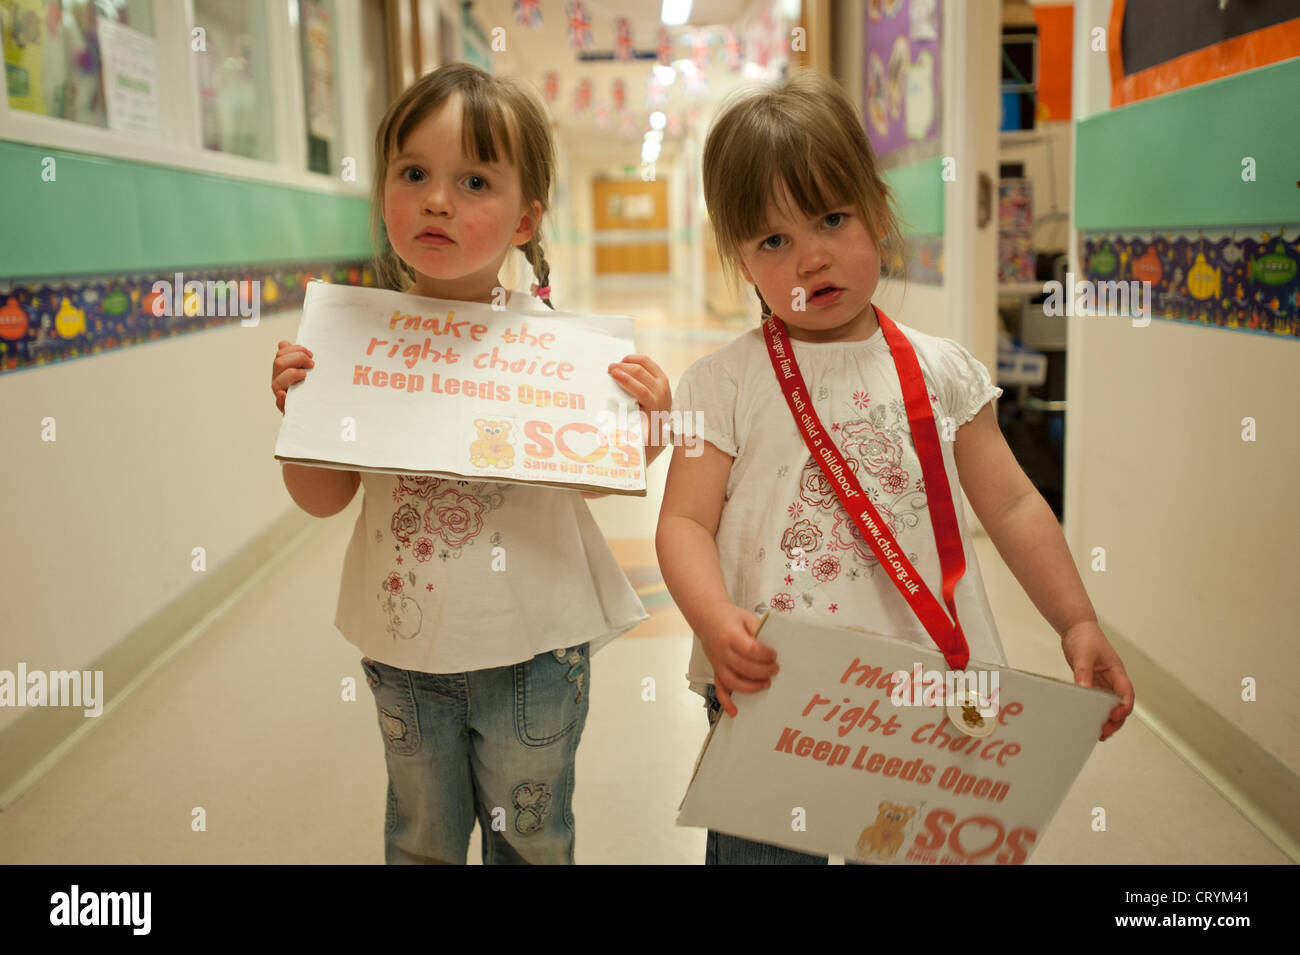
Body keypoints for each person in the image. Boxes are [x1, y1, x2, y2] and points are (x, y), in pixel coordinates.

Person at [656, 69, 1135, 865]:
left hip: (930, 690)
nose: (809, 258)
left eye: (831, 219)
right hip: (778, 690)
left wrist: (1076, 619)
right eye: (773, 240)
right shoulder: (722, 383)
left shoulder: (943, 370)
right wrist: (712, 617)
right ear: (739, 258)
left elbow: (1014, 505)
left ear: (876, 210)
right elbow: (682, 521)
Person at [270, 63, 671, 864]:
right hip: (404, 649)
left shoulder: (556, 350)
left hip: (534, 653)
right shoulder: (350, 340)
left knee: (532, 840)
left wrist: (647, 427)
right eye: (412, 173)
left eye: (474, 180)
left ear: (526, 219)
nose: (438, 200)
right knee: (419, 835)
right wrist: (301, 414)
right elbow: (322, 499)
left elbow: (591, 476)